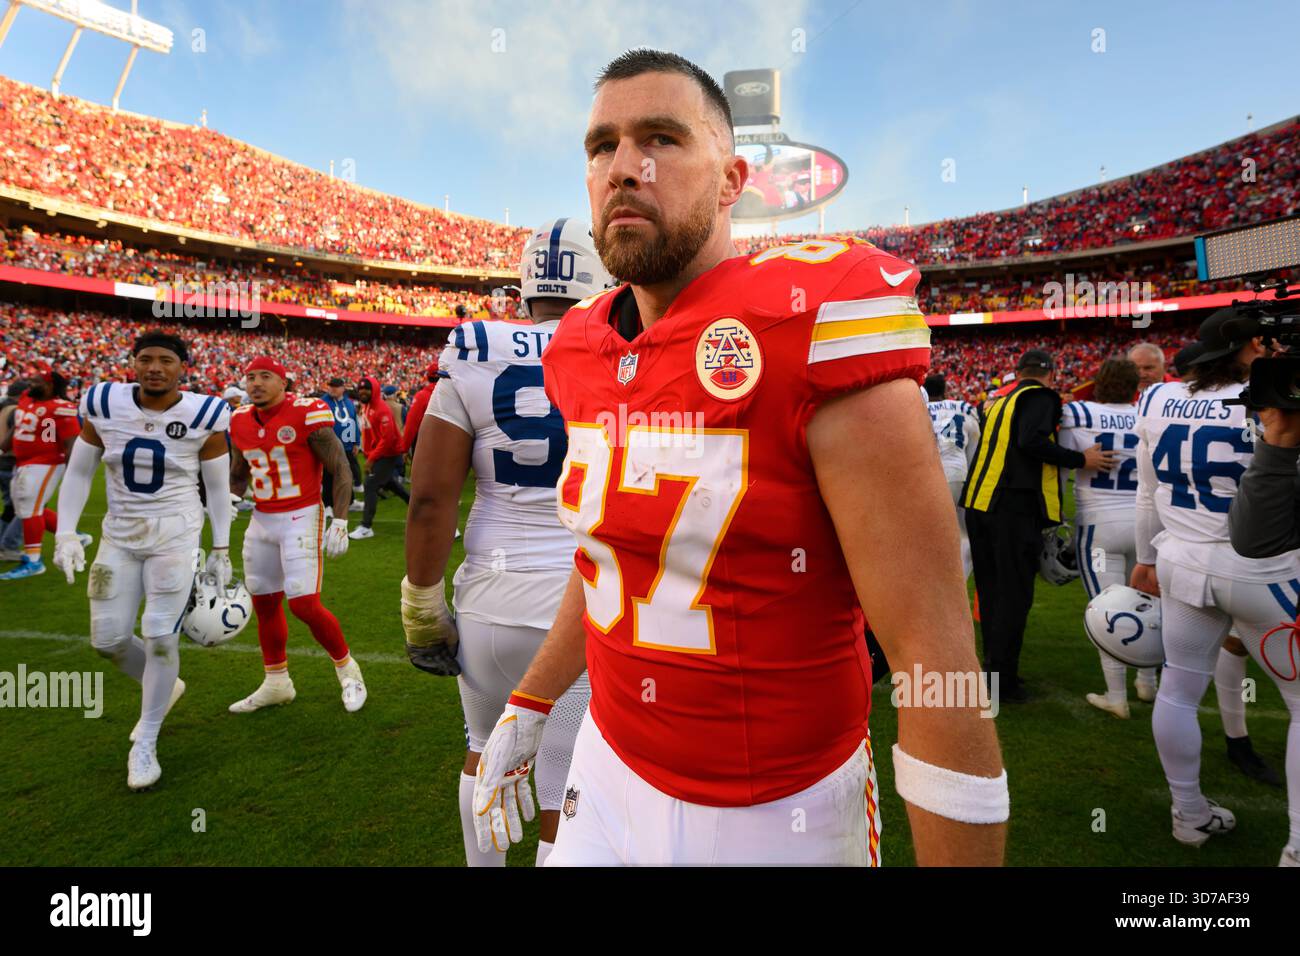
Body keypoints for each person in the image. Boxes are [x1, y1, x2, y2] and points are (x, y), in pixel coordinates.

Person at [471, 49, 1006, 866]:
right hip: (606, 768)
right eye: (600, 146)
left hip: (776, 812)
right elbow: (609, 558)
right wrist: (534, 697)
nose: (624, 168)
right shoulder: (577, 345)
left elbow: (935, 657)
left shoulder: (815, 320)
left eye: (660, 138)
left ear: (731, 182)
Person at [403, 218, 609, 867]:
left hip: (488, 601)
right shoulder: (616, 343)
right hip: (576, 605)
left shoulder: (474, 348)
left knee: (483, 746)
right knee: (562, 790)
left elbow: (431, 499)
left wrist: (421, 607)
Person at [1133, 309, 1298, 860]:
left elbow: (1146, 489)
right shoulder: (1278, 395)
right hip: (1263, 569)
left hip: (1181, 560)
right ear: (1257, 343)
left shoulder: (1157, 399)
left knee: (1180, 687)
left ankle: (1189, 814)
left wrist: (1143, 556)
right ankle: (1296, 847)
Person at [51, 330, 234, 790]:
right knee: (107, 640)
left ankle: (146, 739)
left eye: (166, 360)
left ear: (182, 368)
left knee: (159, 638)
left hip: (175, 534)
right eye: (146, 358)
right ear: (132, 362)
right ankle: (164, 687)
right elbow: (79, 470)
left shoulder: (205, 413)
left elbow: (216, 488)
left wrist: (220, 549)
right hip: (118, 535)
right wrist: (65, 532)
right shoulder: (104, 403)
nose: (155, 367)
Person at [963, 348, 1117, 701]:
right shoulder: (1041, 397)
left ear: (1018, 372)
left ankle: (993, 670)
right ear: (1049, 374)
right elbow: (1030, 441)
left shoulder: (998, 401)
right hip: (1011, 506)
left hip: (980, 502)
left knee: (990, 591)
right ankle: (1004, 680)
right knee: (1015, 595)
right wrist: (1080, 458)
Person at [226, 357, 365, 713]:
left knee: (303, 603)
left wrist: (341, 520)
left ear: (284, 382)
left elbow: (340, 466)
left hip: (301, 514)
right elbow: (240, 470)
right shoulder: (239, 418)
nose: (255, 383)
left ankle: (349, 671)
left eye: (265, 376)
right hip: (261, 517)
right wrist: (230, 497)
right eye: (250, 376)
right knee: (264, 601)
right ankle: (277, 682)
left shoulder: (308, 411)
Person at [1060, 357, 1158, 716]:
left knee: (1108, 609)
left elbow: (1063, 462)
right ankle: (1148, 683)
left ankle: (1116, 695)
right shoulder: (1147, 412)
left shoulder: (1078, 412)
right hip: (1145, 524)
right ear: (1136, 386)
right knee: (1148, 602)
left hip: (1100, 525)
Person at [0, 370, 87, 580]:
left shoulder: (61, 407)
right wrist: (6, 443)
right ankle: (75, 537)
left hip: (45, 463)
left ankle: (33, 562)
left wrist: (71, 472)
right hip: (23, 462)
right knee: (26, 508)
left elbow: (70, 443)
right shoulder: (27, 399)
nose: (31, 384)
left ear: (49, 385)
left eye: (36, 381)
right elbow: (21, 424)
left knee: (30, 509)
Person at [924, 373, 979, 578]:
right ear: (945, 389)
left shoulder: (917, 409)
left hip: (926, 478)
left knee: (926, 537)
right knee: (963, 536)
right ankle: (959, 585)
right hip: (956, 474)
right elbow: (974, 451)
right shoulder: (963, 408)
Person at [349, 375, 407, 540]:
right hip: (380, 453)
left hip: (387, 453)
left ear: (373, 389)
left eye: (366, 388)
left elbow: (388, 439)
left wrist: (371, 458)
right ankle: (417, 506)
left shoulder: (381, 409)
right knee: (392, 485)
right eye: (360, 389)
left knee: (370, 485)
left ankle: (366, 526)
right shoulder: (366, 406)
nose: (363, 392)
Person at [320, 377, 363, 512]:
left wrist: (356, 441)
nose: (332, 388)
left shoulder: (348, 402)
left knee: (347, 475)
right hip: (330, 447)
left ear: (343, 388)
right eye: (331, 386)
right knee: (328, 477)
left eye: (336, 386)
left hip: (347, 446)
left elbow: (353, 421)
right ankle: (327, 506)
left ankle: (349, 501)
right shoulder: (322, 403)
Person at [401, 360, 440, 458]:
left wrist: (404, 448)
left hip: (425, 445)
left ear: (428, 377)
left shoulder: (422, 396)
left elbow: (412, 424)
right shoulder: (454, 394)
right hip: (450, 445)